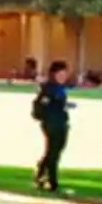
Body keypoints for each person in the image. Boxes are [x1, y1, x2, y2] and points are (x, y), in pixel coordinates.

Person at [33, 60, 73, 192]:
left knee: (55, 151)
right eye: (60, 74)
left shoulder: (59, 88)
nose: (63, 76)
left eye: (64, 74)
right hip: (52, 124)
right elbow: (42, 104)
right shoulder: (48, 88)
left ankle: (41, 172)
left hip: (61, 122)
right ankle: (52, 181)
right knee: (53, 152)